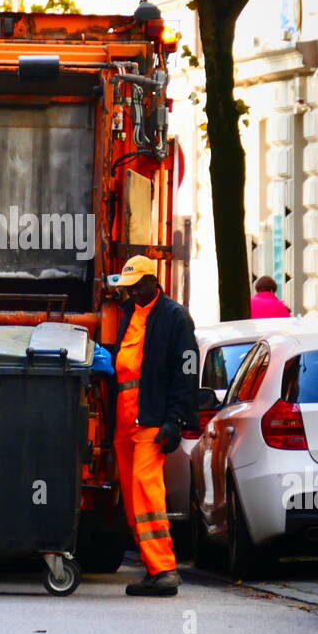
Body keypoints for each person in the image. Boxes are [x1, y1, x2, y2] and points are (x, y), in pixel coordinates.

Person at [108, 255, 199, 597]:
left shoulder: (175, 317)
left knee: (147, 490)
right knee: (133, 497)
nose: (131, 294)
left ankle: (164, 571)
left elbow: (186, 371)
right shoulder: (131, 315)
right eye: (127, 290)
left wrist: (176, 420)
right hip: (125, 422)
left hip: (151, 420)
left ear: (152, 282)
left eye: (135, 288)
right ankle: (152, 567)